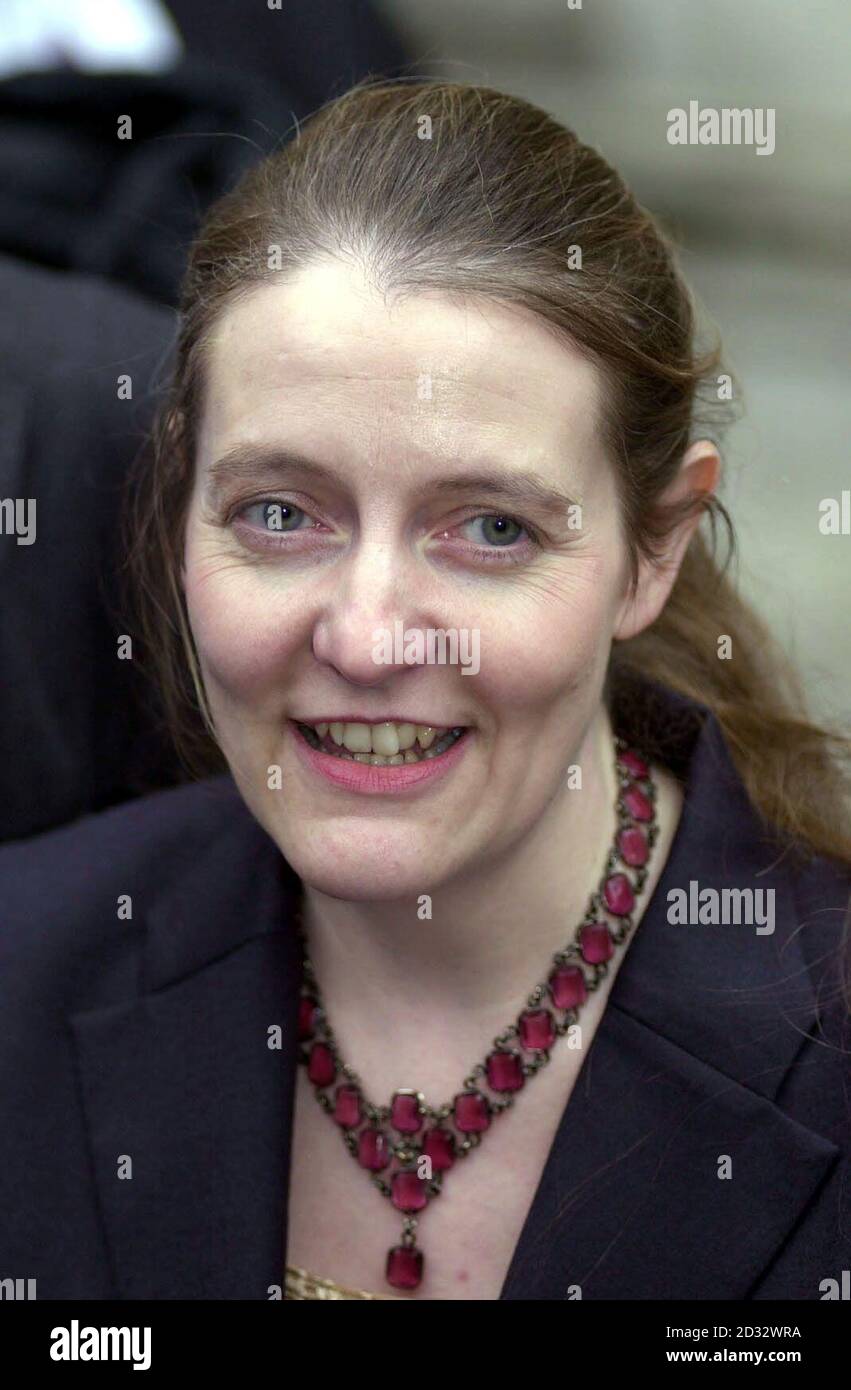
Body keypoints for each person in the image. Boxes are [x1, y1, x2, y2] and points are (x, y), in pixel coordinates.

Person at [1, 78, 849, 1302]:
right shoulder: (24, 980)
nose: (367, 633)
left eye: (489, 529)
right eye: (280, 514)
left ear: (652, 548)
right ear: (180, 501)